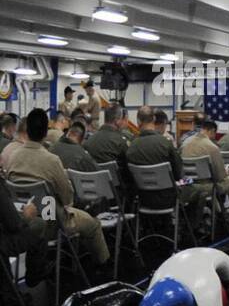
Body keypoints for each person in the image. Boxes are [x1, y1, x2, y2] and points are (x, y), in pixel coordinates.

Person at [2, 108, 110, 270]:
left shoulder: (12, 157)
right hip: (53, 221)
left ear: (26, 130)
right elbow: (67, 199)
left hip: (26, 221)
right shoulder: (51, 160)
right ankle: (104, 268)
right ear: (46, 132)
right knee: (94, 225)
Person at [182, 119, 229, 234]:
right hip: (208, 187)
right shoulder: (211, 147)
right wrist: (226, 171)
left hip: (188, 186)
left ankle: (222, 215)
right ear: (212, 131)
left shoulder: (185, 143)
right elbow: (220, 177)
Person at [126, 109, 203, 219]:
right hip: (169, 198)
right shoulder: (165, 143)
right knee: (198, 187)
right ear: (153, 119)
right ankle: (190, 227)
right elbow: (179, 175)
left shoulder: (131, 146)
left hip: (143, 199)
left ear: (138, 121)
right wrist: (190, 180)